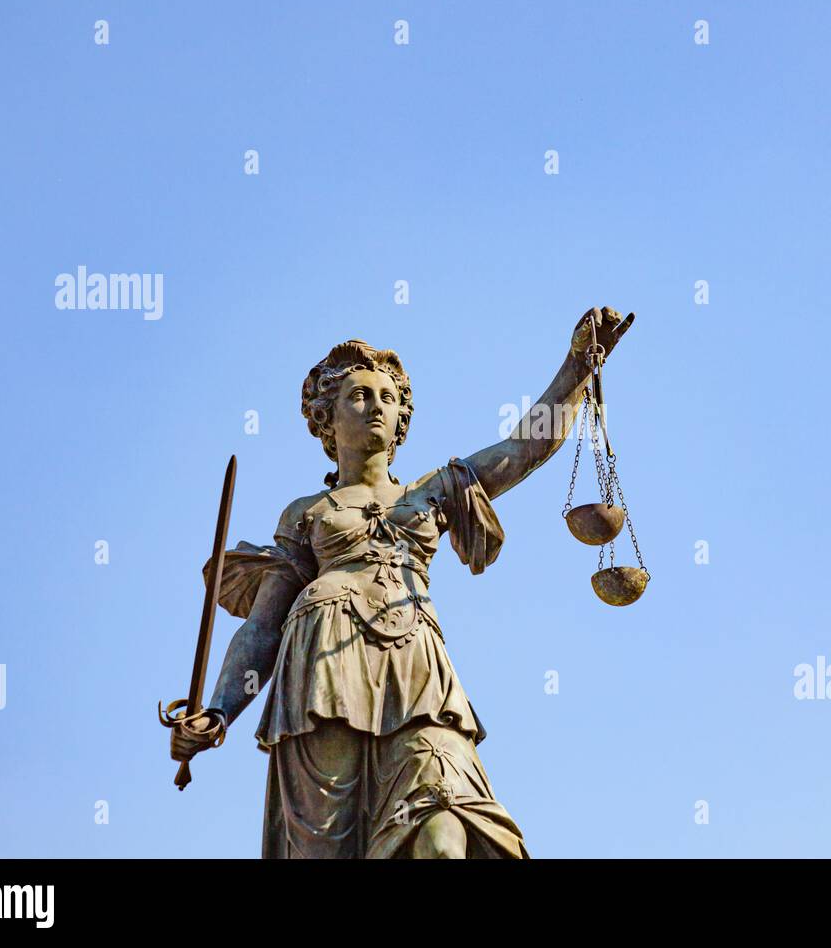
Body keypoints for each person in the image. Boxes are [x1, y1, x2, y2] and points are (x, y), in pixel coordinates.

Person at [171, 307, 633, 858]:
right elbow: (263, 628)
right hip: (322, 676)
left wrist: (577, 364)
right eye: (359, 395)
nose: (376, 407)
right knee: (330, 847)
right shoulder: (306, 512)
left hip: (418, 675)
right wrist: (219, 710)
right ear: (326, 417)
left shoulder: (433, 491)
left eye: (388, 398)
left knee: (446, 828)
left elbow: (523, 448)